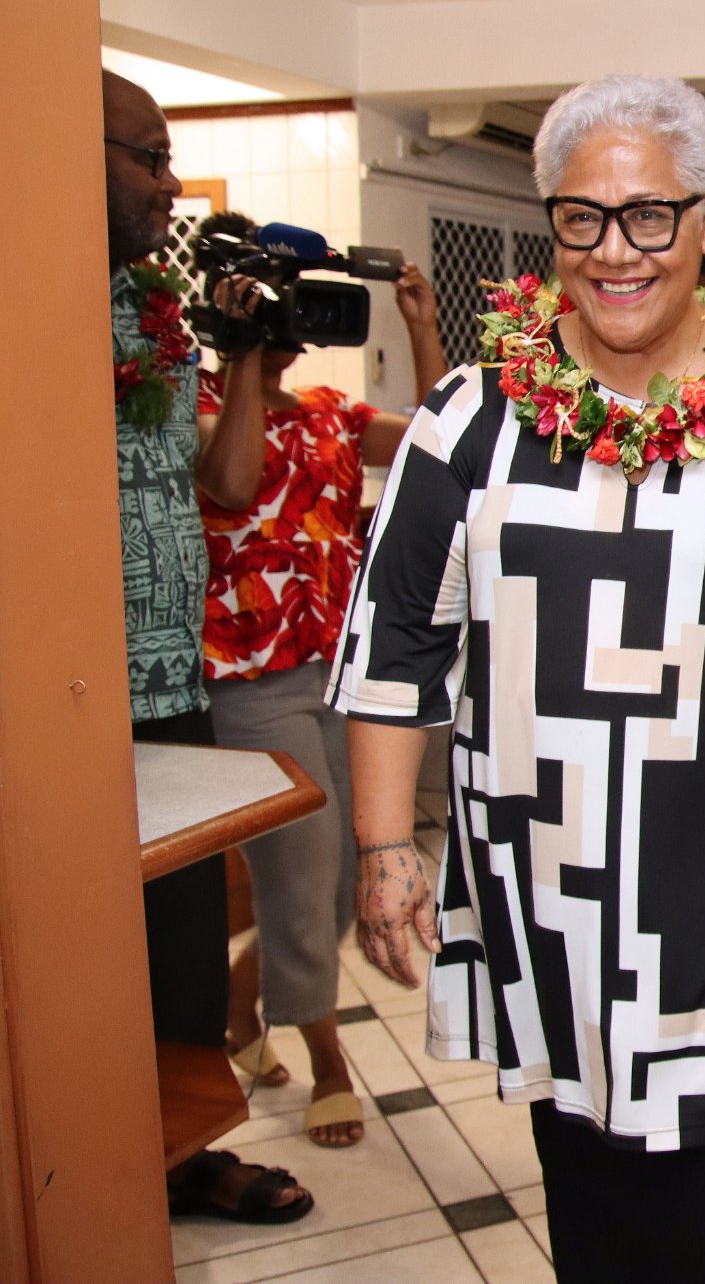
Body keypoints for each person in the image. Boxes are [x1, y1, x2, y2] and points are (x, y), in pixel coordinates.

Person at [329, 75, 705, 1284]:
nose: (616, 251)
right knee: (587, 1135)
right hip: (542, 863)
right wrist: (385, 846)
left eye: (649, 216)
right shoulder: (474, 413)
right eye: (582, 219)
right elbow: (396, 638)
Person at [102, 69, 314, 1223]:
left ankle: (181, 1160)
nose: (168, 182)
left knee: (181, 937)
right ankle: (88, 1160)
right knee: (81, 953)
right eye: (147, 156)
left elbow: (227, 483)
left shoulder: (147, 308)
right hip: (68, 694)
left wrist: (242, 354)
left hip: (170, 674)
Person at [195, 210, 450, 1149]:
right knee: (301, 878)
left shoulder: (337, 416)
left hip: (342, 671)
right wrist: (238, 355)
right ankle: (328, 1063)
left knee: (341, 877)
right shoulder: (196, 406)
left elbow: (436, 446)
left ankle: (238, 1009)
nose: (296, 332)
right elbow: (230, 479)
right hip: (253, 681)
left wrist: (420, 326)